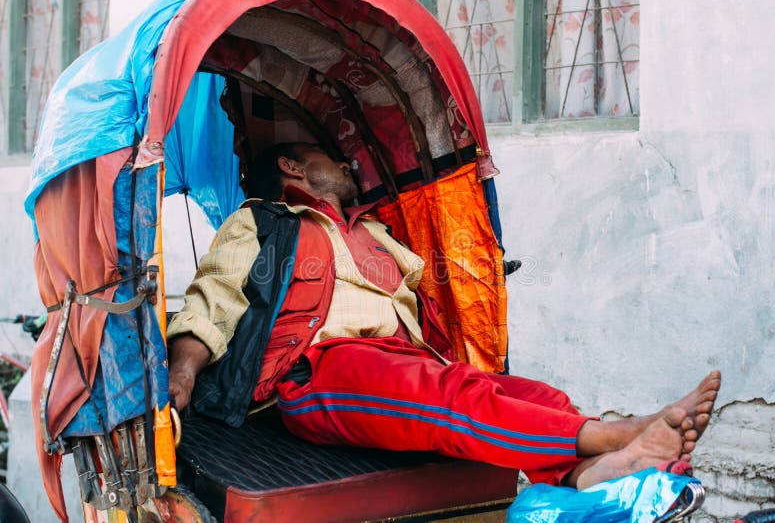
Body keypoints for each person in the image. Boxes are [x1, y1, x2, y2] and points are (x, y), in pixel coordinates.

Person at [167, 142, 721, 489]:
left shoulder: (380, 235)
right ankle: (616, 435)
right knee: (440, 393)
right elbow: (213, 299)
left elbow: (435, 303)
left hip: (405, 359)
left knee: (533, 395)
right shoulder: (265, 222)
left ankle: (591, 472)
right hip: (317, 369)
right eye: (326, 156)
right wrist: (183, 373)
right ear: (292, 165)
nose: (343, 162)